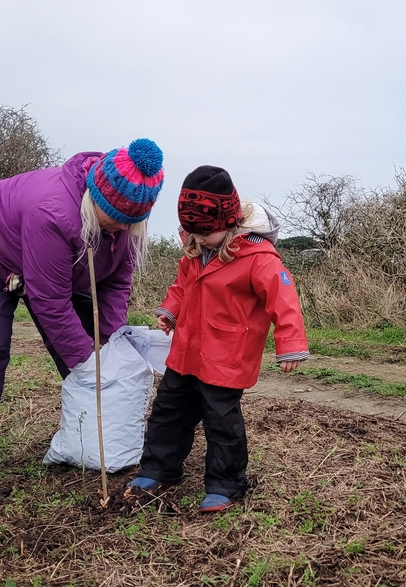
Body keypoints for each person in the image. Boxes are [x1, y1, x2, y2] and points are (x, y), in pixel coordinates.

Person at [0, 138, 166, 503]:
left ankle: (93, 445)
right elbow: (50, 301)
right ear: (96, 203)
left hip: (58, 264)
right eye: (116, 222)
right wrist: (87, 361)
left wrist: (107, 344)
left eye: (131, 224)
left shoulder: (128, 225)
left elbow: (116, 283)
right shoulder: (54, 212)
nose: (122, 230)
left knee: (96, 347)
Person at [125, 165, 309, 513]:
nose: (196, 240)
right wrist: (170, 311)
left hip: (227, 356)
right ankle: (158, 469)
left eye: (204, 233)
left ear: (229, 222)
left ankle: (225, 485)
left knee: (221, 421)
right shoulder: (194, 250)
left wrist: (291, 343)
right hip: (186, 352)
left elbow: (284, 300)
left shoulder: (258, 258)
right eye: (191, 232)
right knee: (168, 412)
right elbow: (183, 286)